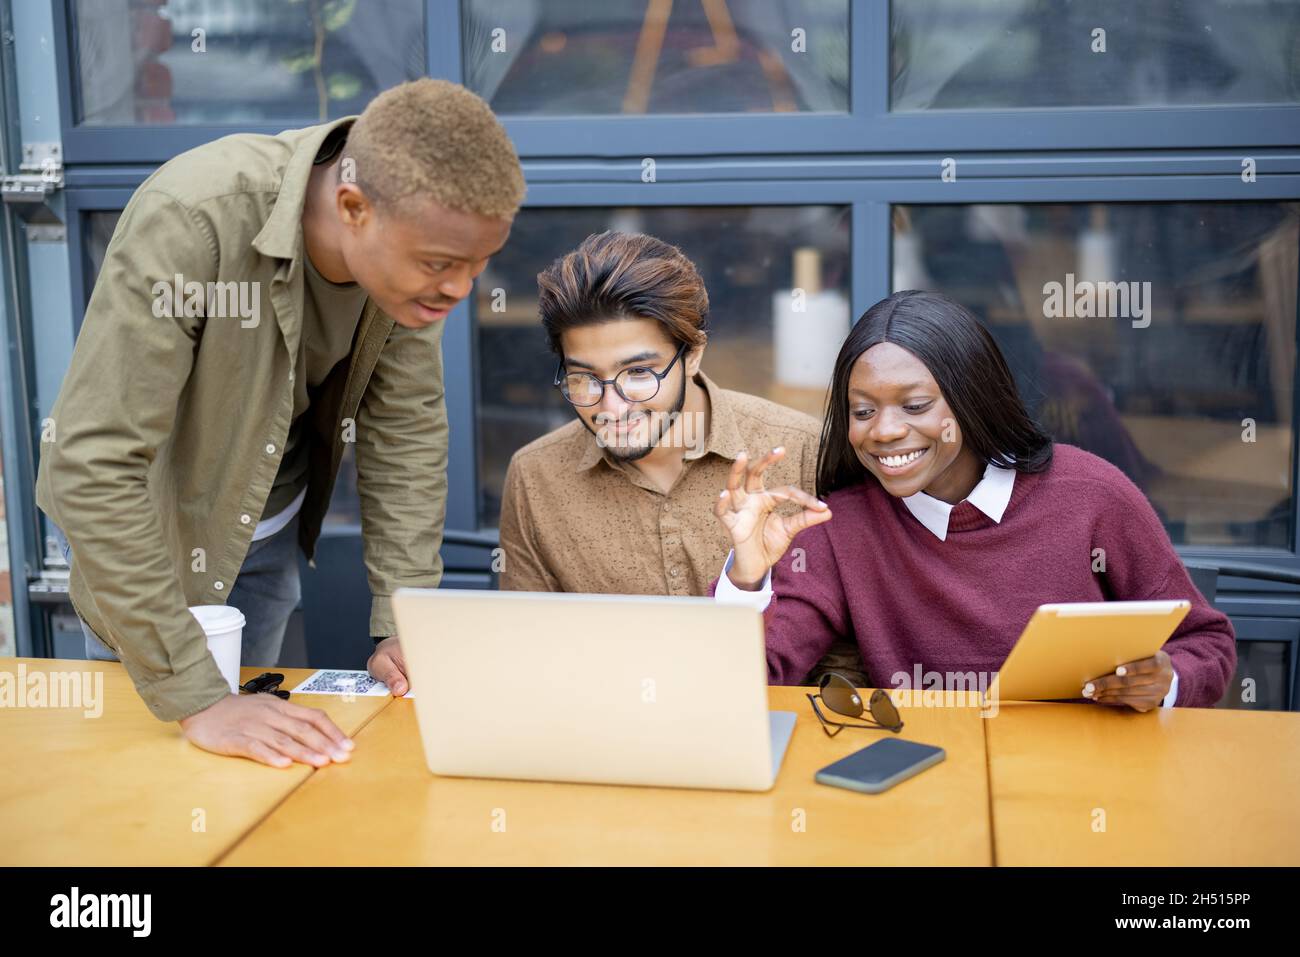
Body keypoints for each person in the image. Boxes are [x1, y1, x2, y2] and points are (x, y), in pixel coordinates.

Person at [37, 79, 525, 766]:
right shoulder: (194, 217)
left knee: (247, 776)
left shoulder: (410, 253)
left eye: (480, 266)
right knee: (158, 775)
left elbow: (405, 433)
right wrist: (197, 696)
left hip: (268, 535)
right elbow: (90, 464)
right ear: (353, 207)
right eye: (443, 265)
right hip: (154, 540)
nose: (460, 289)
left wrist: (401, 619)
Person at [711, 289, 1236, 710]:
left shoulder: (1092, 494)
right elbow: (749, 679)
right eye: (863, 411)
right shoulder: (839, 527)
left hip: (1088, 779)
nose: (885, 431)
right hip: (931, 786)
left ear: (972, 399)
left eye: (914, 405)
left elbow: (1206, 643)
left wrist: (1165, 681)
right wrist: (747, 575)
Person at [494, 230, 864, 683]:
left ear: (692, 355)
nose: (611, 408)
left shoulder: (804, 450)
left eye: (638, 374)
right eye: (585, 380)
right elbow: (530, 652)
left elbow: (853, 653)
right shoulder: (536, 475)